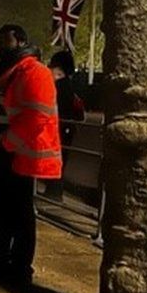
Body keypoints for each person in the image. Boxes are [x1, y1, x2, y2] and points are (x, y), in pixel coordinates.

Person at [0, 24, 61, 285]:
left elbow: (36, 115)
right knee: (1, 204)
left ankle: (21, 265)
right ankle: (1, 249)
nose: (2, 46)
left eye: (7, 41)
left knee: (21, 209)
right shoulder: (7, 70)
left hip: (17, 151)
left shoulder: (34, 71)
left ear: (21, 41)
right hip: (1, 149)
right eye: (0, 40)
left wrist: (7, 142)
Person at [43, 50, 86, 200]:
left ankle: (53, 192)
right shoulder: (70, 86)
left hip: (59, 127)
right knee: (60, 160)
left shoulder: (59, 87)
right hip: (66, 128)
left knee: (56, 160)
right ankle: (54, 191)